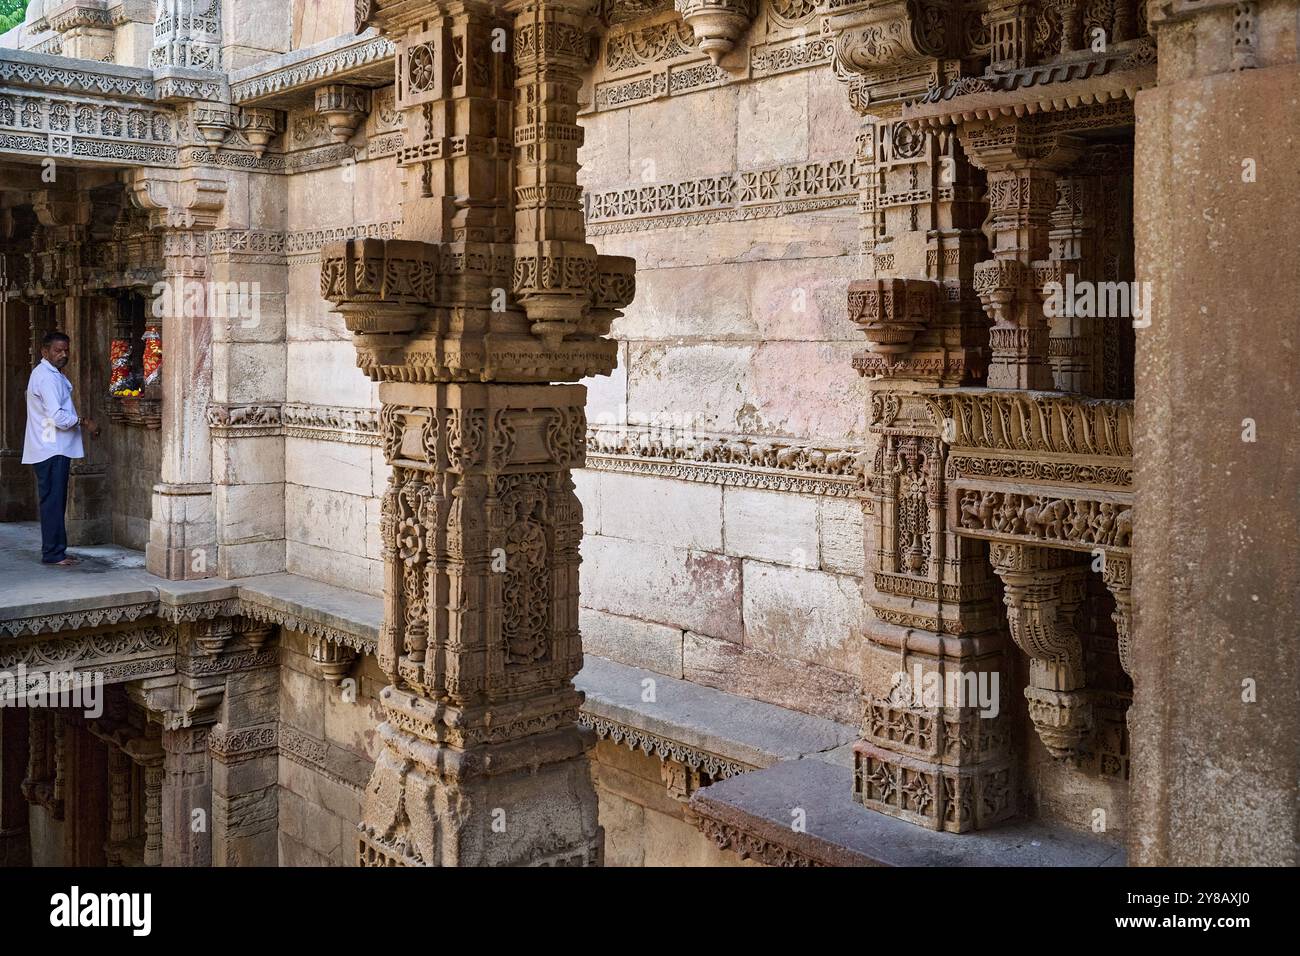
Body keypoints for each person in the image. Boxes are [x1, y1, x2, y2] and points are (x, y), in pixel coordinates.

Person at [22, 331, 100, 566]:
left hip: (51, 447)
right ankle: (53, 553)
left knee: (54, 500)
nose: (63, 354)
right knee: (54, 501)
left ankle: (57, 550)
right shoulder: (46, 377)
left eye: (66, 350)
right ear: (44, 351)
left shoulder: (49, 374)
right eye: (58, 350)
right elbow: (58, 416)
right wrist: (85, 422)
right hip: (51, 449)